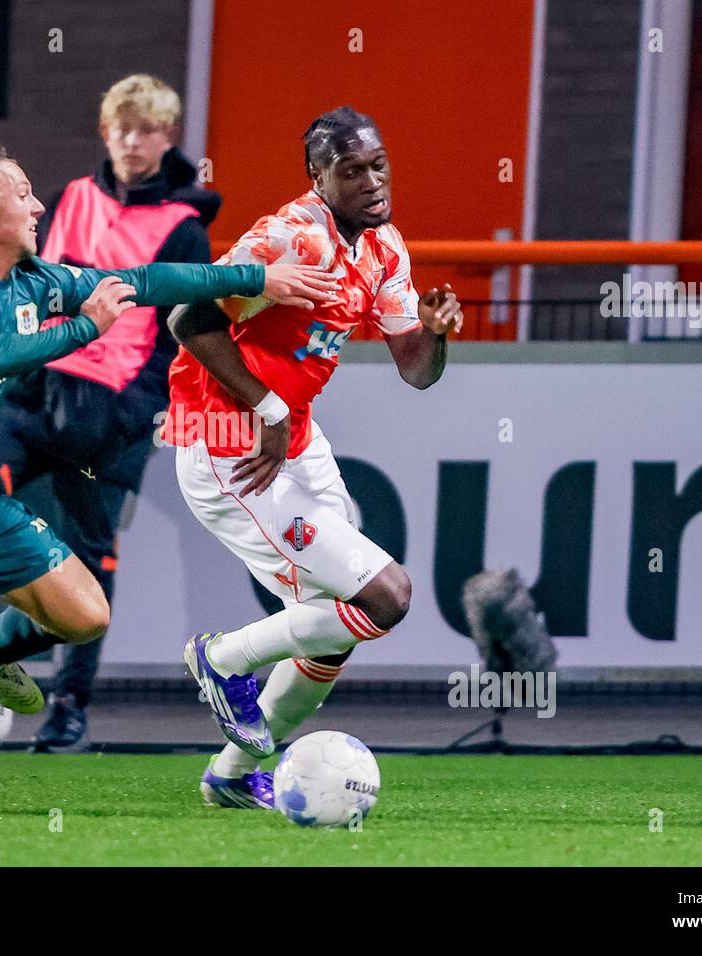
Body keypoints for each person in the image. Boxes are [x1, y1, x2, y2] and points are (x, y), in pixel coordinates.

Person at [0, 140, 337, 813]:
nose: (38, 204)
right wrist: (86, 328)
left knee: (84, 613)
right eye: (22, 192)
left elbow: (143, 282)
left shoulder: (34, 280)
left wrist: (251, 280)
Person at [163, 107, 463, 809]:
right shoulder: (288, 238)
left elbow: (416, 371)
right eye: (350, 171)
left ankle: (232, 778)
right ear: (318, 179)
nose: (371, 181)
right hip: (230, 447)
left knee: (331, 636)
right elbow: (189, 318)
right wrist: (265, 407)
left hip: (295, 440)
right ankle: (221, 657)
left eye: (377, 164)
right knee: (387, 596)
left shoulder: (385, 247)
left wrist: (436, 332)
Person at [0, 75, 222, 753]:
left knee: (88, 559)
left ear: (168, 138)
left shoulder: (185, 230)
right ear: (107, 132)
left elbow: (181, 336)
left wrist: (135, 410)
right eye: (122, 128)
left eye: (148, 130)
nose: (134, 141)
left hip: (111, 415)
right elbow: (29, 280)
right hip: (38, 385)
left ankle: (69, 705)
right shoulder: (70, 197)